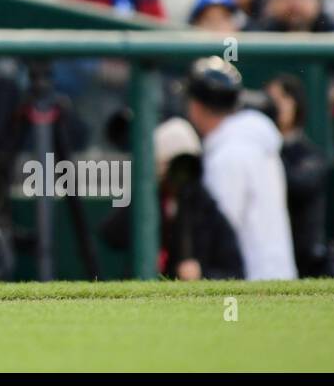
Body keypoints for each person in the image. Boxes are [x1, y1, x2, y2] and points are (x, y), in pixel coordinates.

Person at [186, 57, 297, 280]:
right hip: (277, 276)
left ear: (196, 106)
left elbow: (223, 231)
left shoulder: (228, 154)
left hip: (250, 283)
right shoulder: (254, 139)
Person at [101, 117, 244, 280]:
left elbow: (235, 273)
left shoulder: (206, 208)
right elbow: (110, 235)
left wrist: (202, 274)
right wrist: (149, 183)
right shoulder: (149, 201)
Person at [266, 74, 334, 277]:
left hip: (305, 261)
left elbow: (299, 184)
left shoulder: (309, 156)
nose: (275, 108)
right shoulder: (256, 152)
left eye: (280, 100)